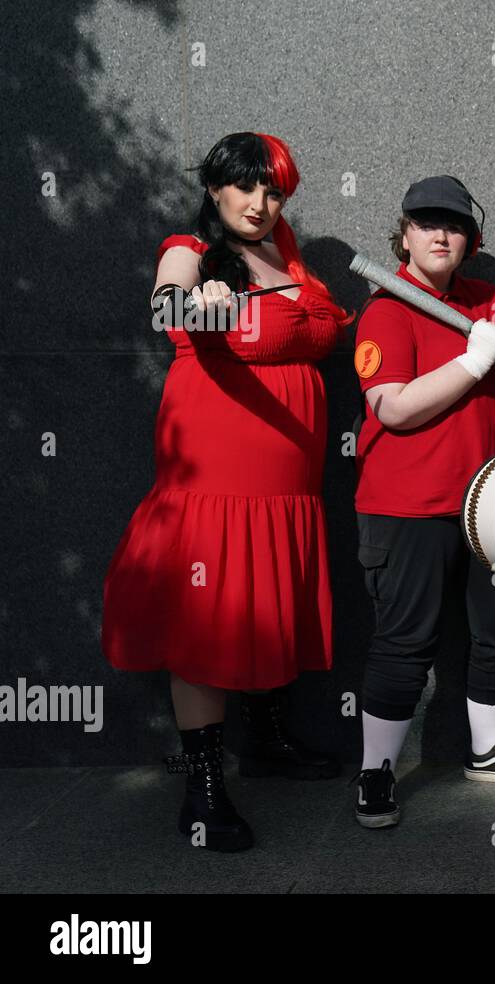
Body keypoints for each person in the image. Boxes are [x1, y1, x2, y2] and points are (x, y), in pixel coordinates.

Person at [103, 131, 349, 852]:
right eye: (248, 187)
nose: (261, 203)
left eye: (274, 191)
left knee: (265, 604)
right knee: (208, 622)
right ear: (216, 187)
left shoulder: (288, 252)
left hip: (287, 482)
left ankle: (267, 740)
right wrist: (198, 303)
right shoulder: (190, 249)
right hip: (217, 475)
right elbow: (165, 308)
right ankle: (203, 794)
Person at [349, 175, 495, 829]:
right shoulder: (387, 309)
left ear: (472, 238)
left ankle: (490, 750)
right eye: (426, 223)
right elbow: (394, 407)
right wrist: (473, 364)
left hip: (489, 503)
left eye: (453, 224)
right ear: (405, 234)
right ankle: (376, 773)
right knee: (404, 641)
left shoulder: (487, 303)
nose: (440, 234)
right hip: (407, 506)